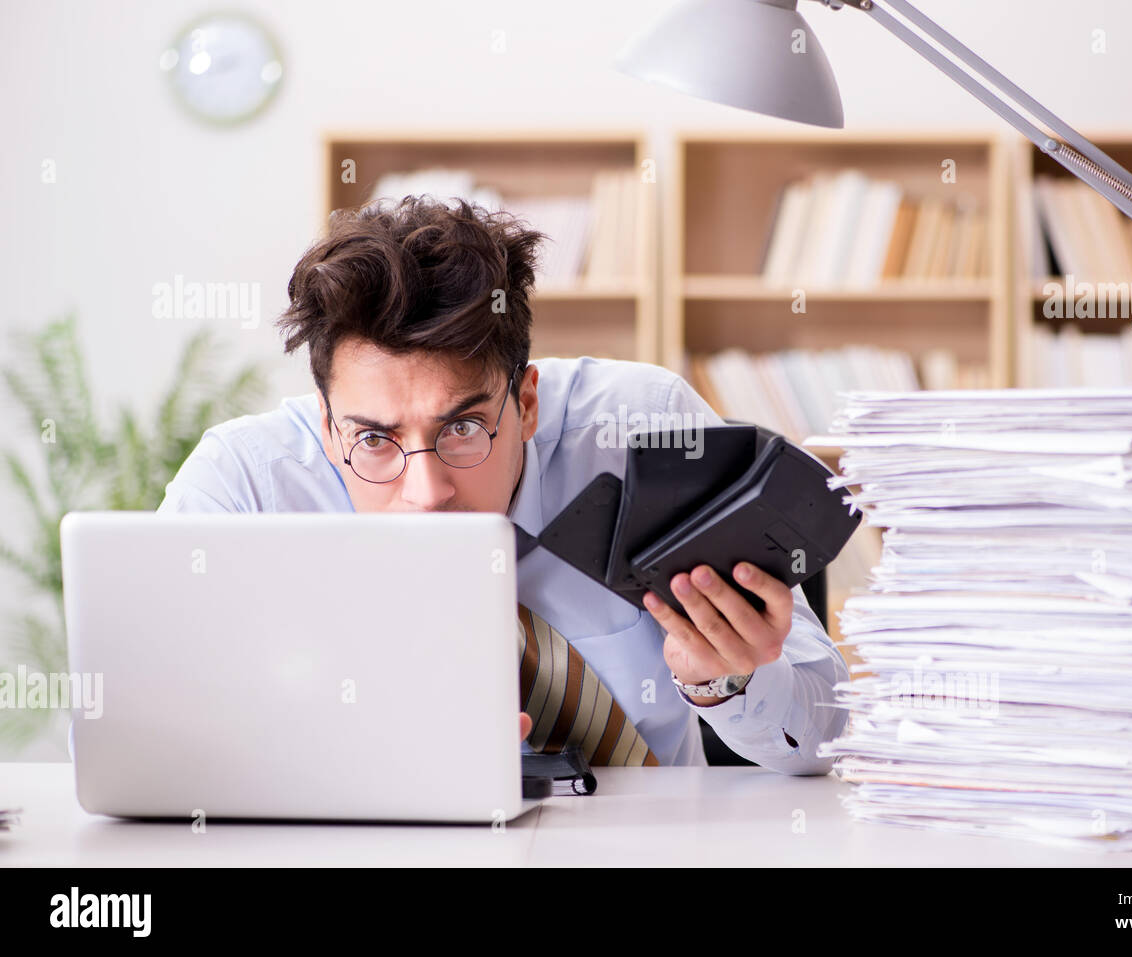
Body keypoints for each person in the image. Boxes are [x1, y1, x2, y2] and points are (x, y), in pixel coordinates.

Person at [157, 194, 848, 774]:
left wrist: (726, 681)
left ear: (525, 403)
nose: (426, 491)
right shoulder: (244, 487)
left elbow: (832, 732)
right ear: (329, 425)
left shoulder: (648, 433)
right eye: (373, 438)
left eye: (462, 428)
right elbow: (134, 735)